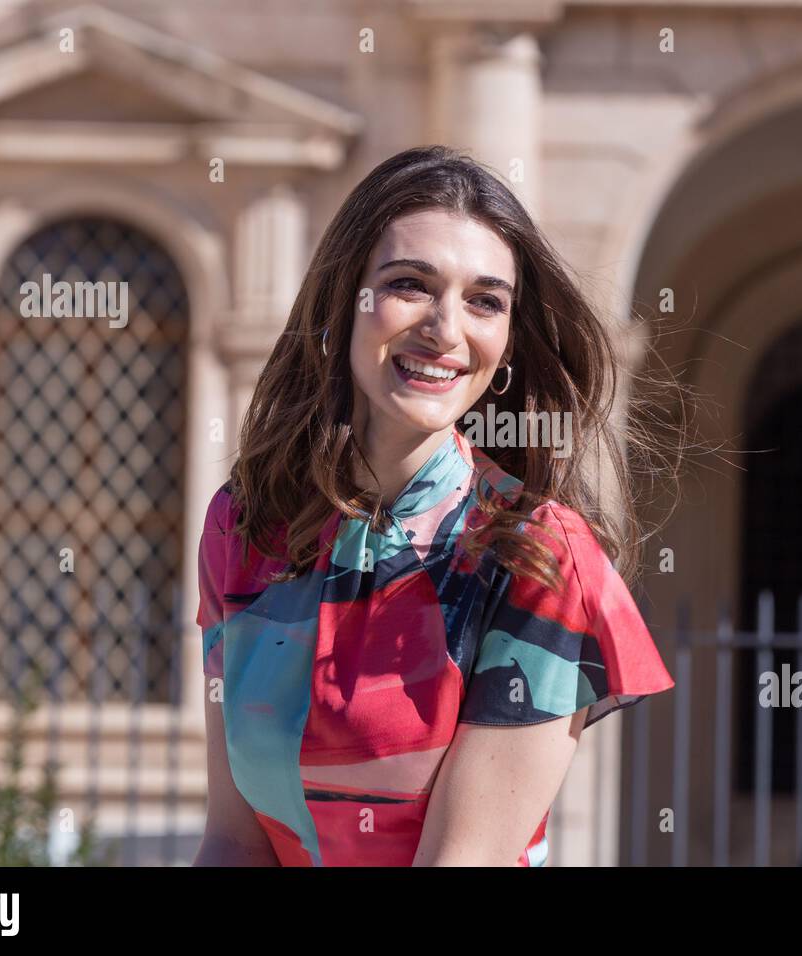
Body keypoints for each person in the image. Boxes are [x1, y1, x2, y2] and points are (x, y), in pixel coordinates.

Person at [193, 145, 676, 867]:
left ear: (506, 341)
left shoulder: (541, 559)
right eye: (411, 285)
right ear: (343, 302)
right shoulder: (244, 525)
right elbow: (234, 842)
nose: (446, 329)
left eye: (485, 300)